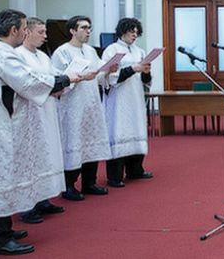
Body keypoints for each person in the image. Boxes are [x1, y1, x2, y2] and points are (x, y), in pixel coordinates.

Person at [0, 9, 78, 255]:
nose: (26, 32)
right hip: (1, 127)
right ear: (14, 30)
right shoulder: (1, 53)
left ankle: (1, 230)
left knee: (8, 178)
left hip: (4, 124)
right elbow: (27, 82)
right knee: (3, 179)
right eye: (24, 28)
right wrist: (66, 79)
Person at [51, 16, 113, 201]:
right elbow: (58, 79)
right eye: (84, 28)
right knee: (74, 141)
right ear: (72, 30)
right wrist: (81, 77)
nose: (88, 31)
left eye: (89, 28)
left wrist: (108, 70)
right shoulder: (62, 52)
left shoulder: (90, 51)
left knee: (92, 141)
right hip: (73, 105)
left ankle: (89, 182)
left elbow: (99, 76)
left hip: (91, 104)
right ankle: (69, 185)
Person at [15, 18, 67, 224]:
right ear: (26, 32)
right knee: (31, 157)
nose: (45, 36)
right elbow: (27, 83)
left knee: (47, 153)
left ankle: (43, 198)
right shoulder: (18, 56)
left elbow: (53, 77)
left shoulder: (43, 56)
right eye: (41, 32)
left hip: (47, 110)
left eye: (45, 32)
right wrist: (52, 87)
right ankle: (27, 206)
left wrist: (61, 86)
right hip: (29, 114)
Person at [102, 18, 153, 188]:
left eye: (137, 32)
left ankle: (135, 170)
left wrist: (146, 72)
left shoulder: (139, 51)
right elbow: (109, 77)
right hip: (119, 98)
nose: (134, 35)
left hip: (135, 97)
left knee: (137, 129)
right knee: (119, 131)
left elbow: (145, 81)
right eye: (131, 31)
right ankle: (115, 176)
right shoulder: (112, 50)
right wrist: (132, 69)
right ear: (122, 31)